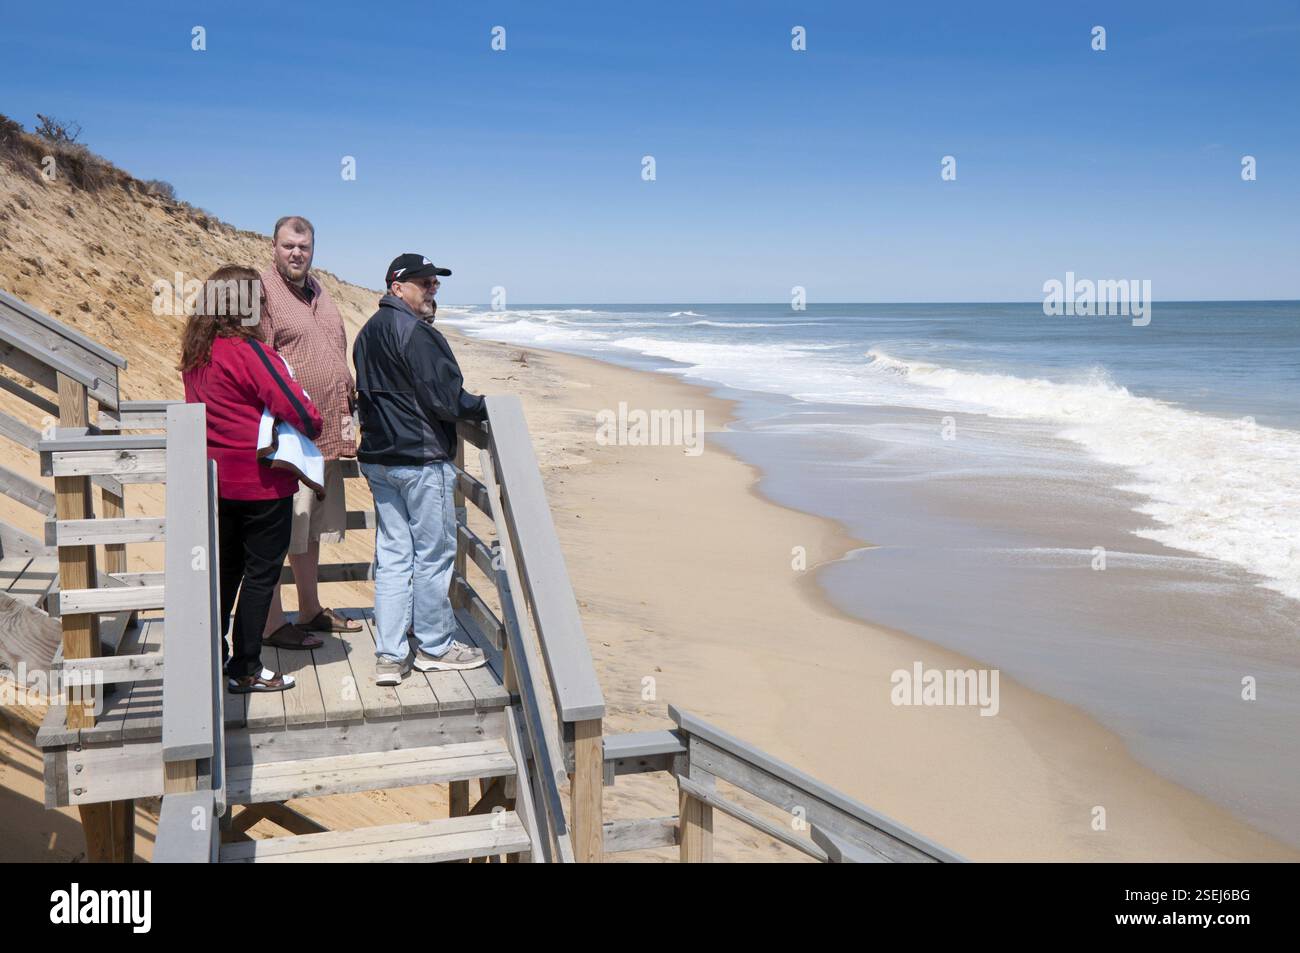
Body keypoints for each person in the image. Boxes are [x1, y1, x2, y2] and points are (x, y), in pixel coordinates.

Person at [179, 265, 323, 693]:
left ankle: (212, 657)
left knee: (225, 573)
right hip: (261, 483)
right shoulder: (247, 350)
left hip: (215, 481)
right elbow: (299, 409)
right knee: (261, 576)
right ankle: (245, 668)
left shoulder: (198, 352)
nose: (264, 308)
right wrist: (312, 420)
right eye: (259, 300)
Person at [353, 254, 489, 685]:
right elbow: (449, 400)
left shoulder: (367, 333)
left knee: (394, 556)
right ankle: (434, 646)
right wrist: (486, 407)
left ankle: (391, 655)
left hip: (379, 460)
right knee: (432, 556)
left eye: (435, 283)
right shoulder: (416, 334)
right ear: (398, 287)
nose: (433, 290)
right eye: (424, 283)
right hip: (420, 462)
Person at [258, 215, 363, 649]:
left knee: (311, 532)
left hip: (326, 438)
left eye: (303, 246)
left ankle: (309, 609)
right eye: (288, 246)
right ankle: (270, 625)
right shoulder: (263, 293)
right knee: (277, 535)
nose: (296, 253)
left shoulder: (319, 290)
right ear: (274, 247)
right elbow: (259, 362)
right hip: (290, 439)